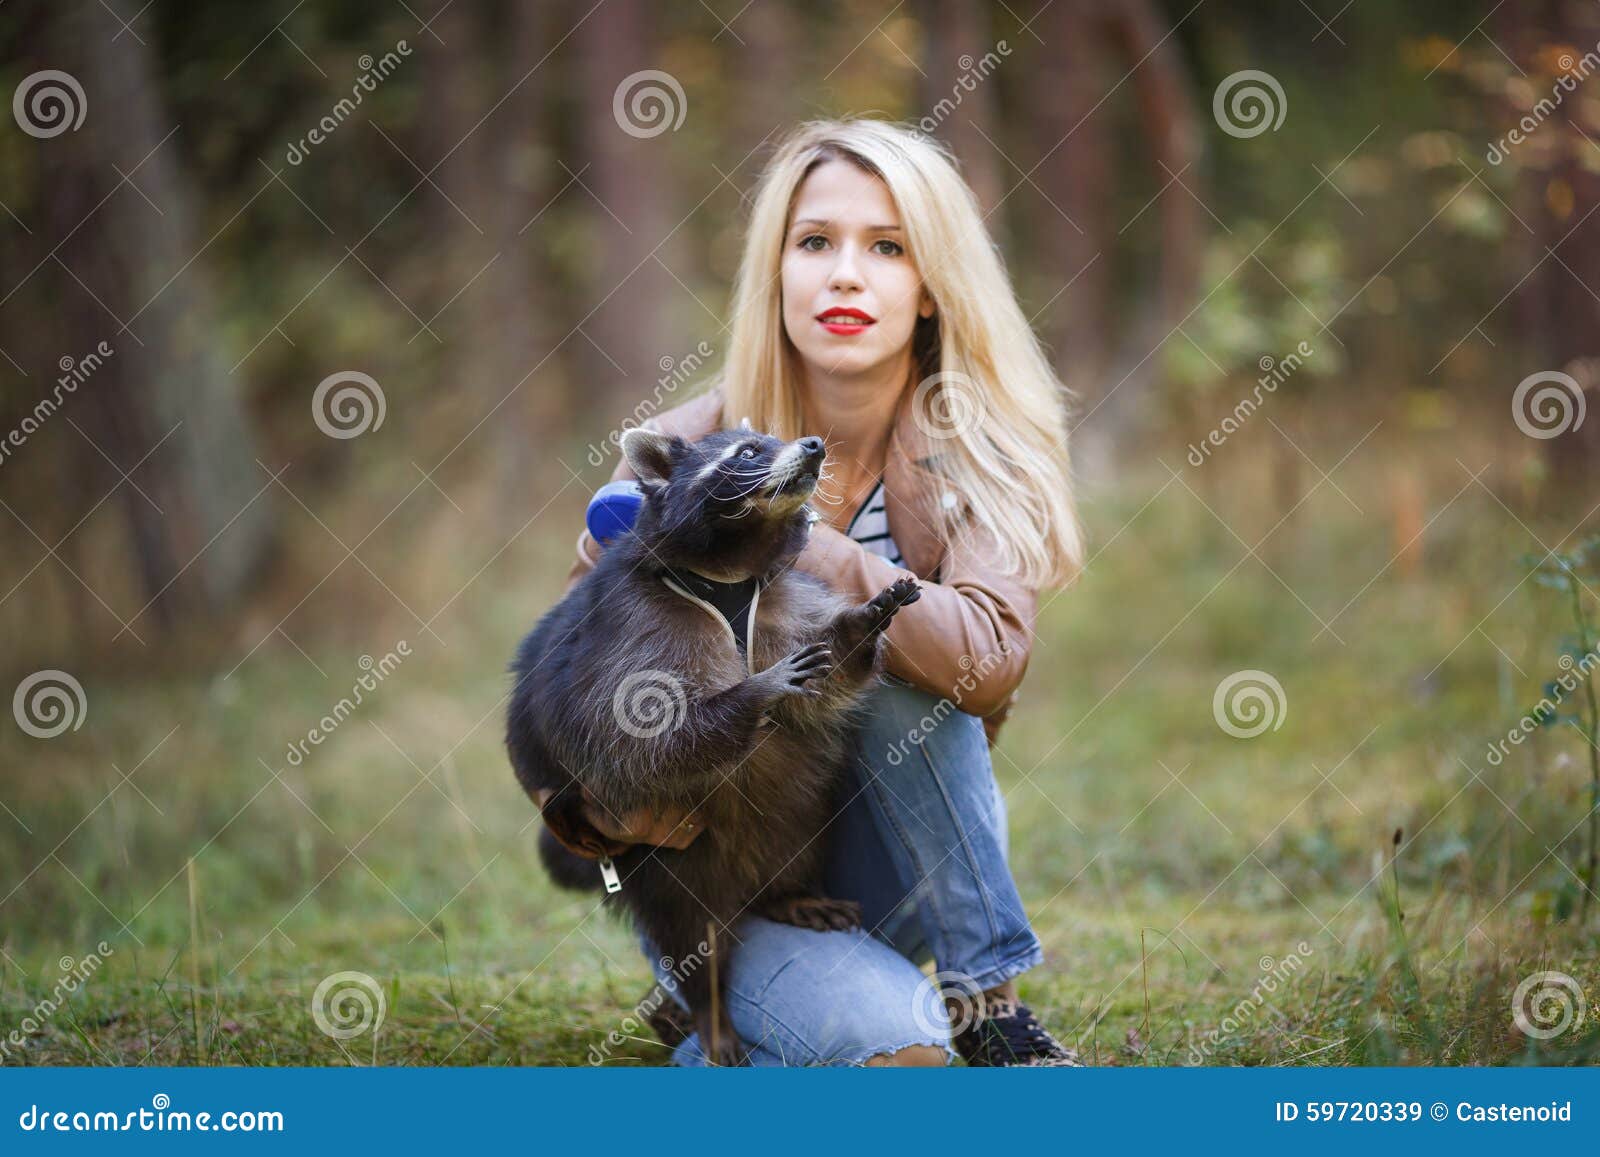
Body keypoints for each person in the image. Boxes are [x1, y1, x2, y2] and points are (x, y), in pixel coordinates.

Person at [540, 118, 1085, 1066]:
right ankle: (718, 1013)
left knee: (896, 653)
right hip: (718, 884)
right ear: (776, 272)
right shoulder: (682, 462)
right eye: (815, 242)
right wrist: (607, 807)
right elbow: (561, 715)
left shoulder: (980, 453)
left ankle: (988, 1006)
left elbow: (985, 665)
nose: (844, 274)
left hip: (903, 869)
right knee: (899, 1055)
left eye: (887, 247)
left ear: (929, 289)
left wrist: (813, 545)